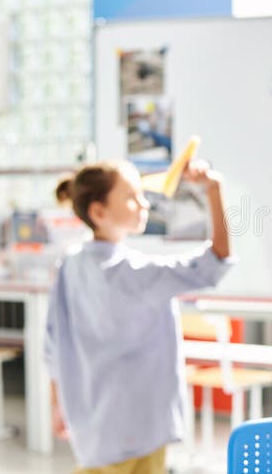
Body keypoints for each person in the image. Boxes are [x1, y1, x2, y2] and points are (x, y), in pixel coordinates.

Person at [45, 158, 232, 473]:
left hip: (92, 428)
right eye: (132, 197)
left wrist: (56, 404)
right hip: (140, 428)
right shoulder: (137, 272)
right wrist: (214, 191)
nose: (144, 203)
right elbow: (216, 262)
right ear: (98, 211)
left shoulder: (71, 264)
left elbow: (52, 343)